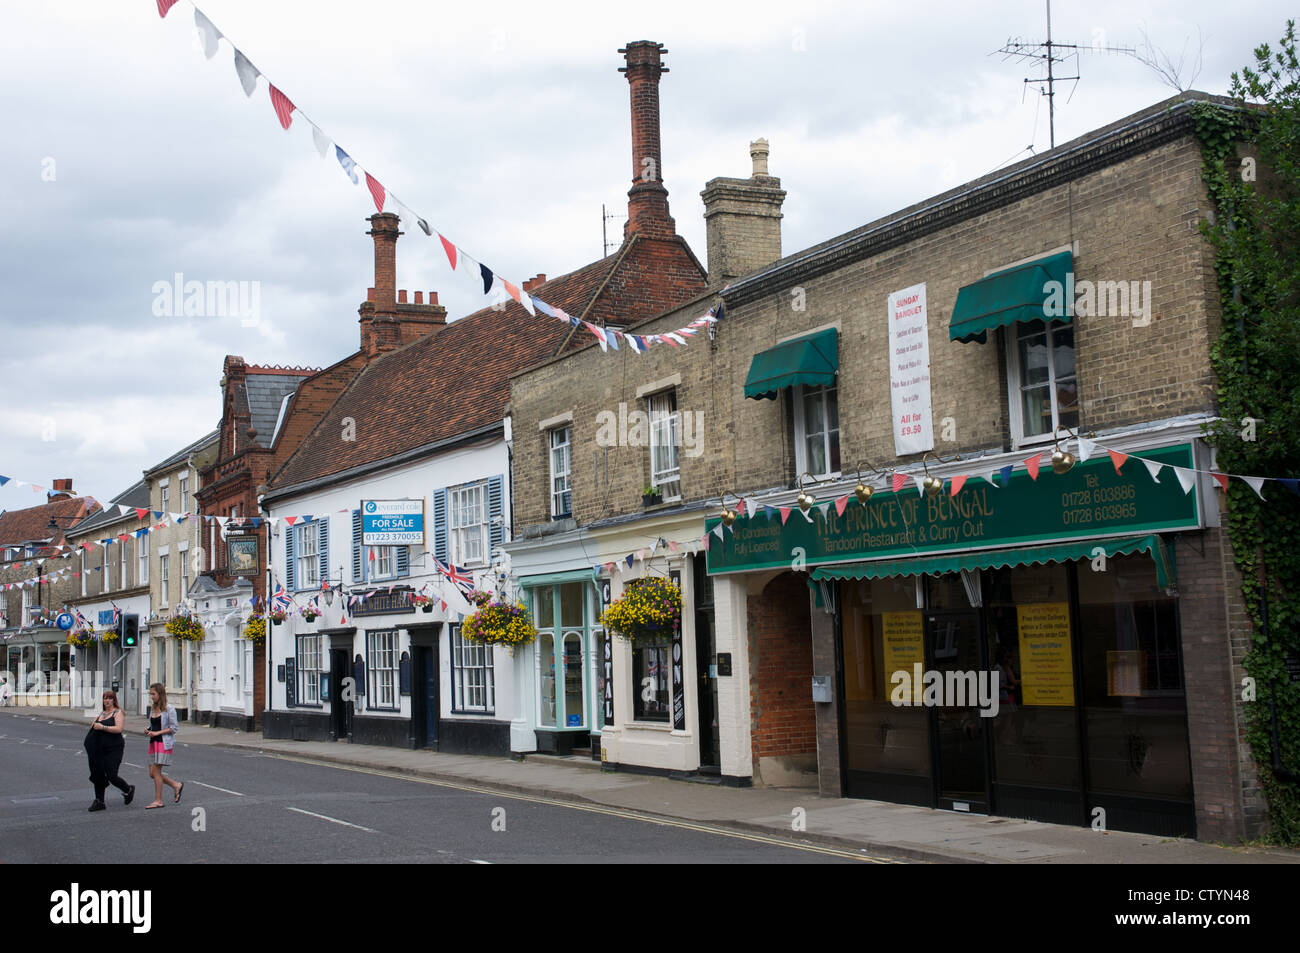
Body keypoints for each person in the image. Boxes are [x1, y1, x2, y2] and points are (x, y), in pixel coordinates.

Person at [84, 689, 134, 812]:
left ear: (114, 700)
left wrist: (102, 727)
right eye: (105, 698)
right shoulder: (100, 714)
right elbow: (93, 727)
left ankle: (128, 789)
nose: (107, 700)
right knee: (98, 773)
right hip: (99, 749)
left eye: (109, 698)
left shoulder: (118, 713)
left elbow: (119, 729)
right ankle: (99, 801)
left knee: (112, 775)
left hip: (114, 748)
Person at [143, 683, 182, 809]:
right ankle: (176, 785)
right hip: (153, 742)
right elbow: (154, 724)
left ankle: (158, 800)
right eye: (150, 694)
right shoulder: (153, 708)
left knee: (156, 772)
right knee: (152, 773)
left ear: (160, 694)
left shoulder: (169, 709)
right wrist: (149, 729)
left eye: (153, 694)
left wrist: (157, 733)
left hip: (163, 743)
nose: (151, 696)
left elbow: (174, 728)